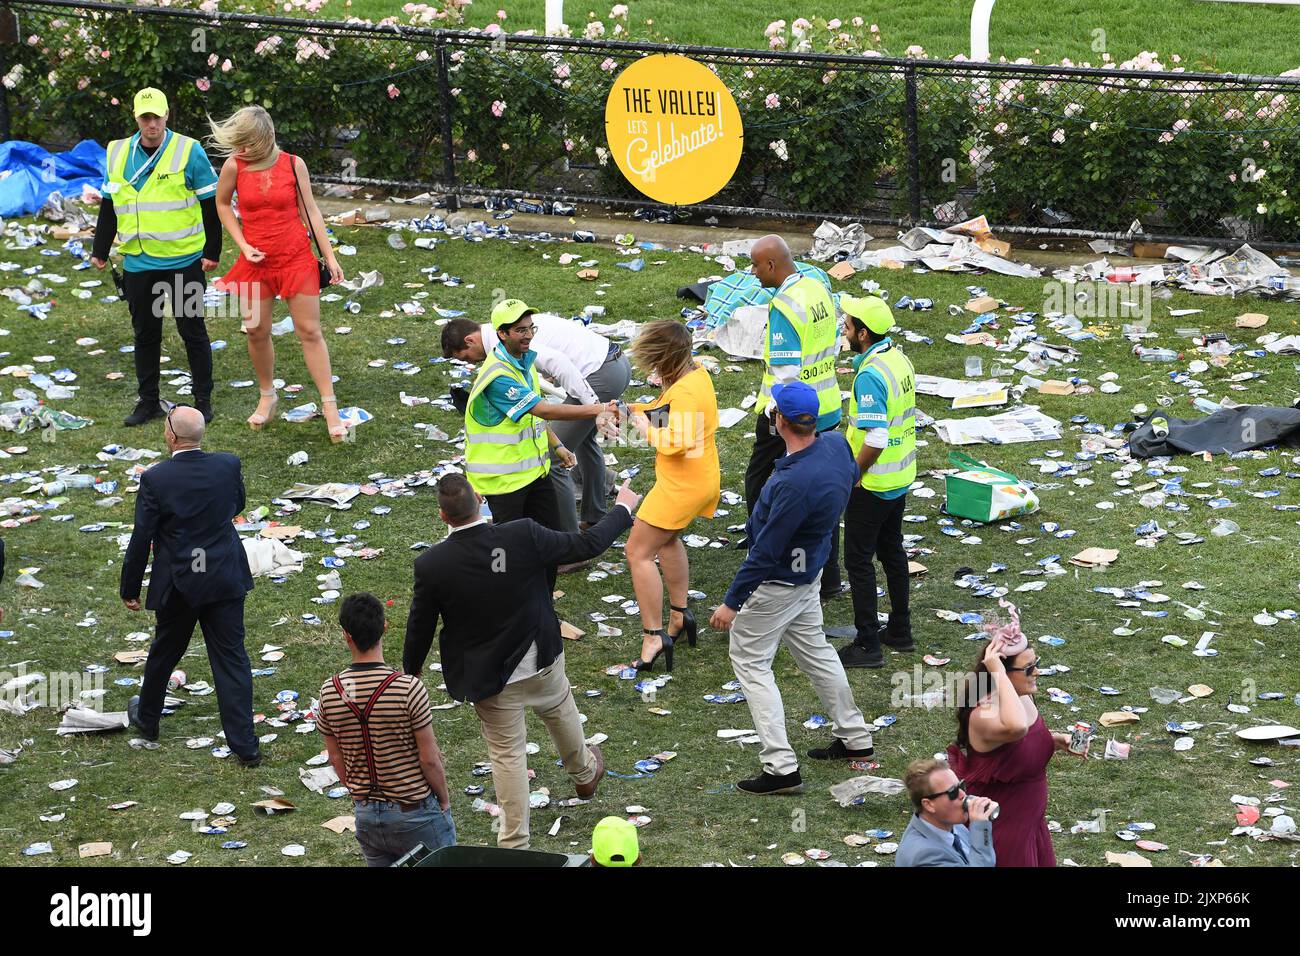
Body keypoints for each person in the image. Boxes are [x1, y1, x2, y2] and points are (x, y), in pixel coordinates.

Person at [402, 473, 642, 849]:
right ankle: (583, 772)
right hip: (540, 653)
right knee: (560, 707)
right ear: (479, 499)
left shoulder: (433, 564)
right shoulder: (523, 534)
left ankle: (514, 843)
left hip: (489, 677)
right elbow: (588, 543)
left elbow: (420, 625)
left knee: (506, 754)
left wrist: (411, 672)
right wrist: (623, 507)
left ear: (442, 516)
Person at [709, 382, 875, 795]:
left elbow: (764, 552)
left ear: (780, 421)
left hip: (778, 583)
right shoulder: (836, 446)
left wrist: (732, 603)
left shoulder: (790, 483)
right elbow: (853, 476)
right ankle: (855, 736)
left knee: (751, 664)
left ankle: (780, 767)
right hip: (810, 573)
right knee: (816, 651)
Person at [119, 405, 259, 767]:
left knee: (165, 650)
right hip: (224, 575)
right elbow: (236, 504)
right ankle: (246, 746)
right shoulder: (227, 464)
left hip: (181, 581)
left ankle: (148, 720)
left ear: (170, 435)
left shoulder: (156, 479)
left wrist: (130, 587)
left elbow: (142, 536)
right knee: (231, 658)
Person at [208, 106, 348, 441]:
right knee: (256, 330)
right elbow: (222, 205)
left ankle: (330, 407)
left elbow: (310, 211)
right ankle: (268, 395)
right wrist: (242, 244)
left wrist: (329, 256)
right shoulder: (234, 166)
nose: (243, 150)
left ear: (266, 137)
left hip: (296, 258)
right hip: (256, 263)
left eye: (248, 143)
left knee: (310, 331)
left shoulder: (293, 164)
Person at [90, 87, 223, 426]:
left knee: (192, 331)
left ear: (167, 116)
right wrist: (100, 249)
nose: (151, 123)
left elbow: (210, 203)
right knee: (145, 334)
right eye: (145, 117)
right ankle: (148, 401)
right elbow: (109, 202)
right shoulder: (117, 152)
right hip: (138, 262)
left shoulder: (188, 151)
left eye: (157, 116)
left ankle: (202, 401)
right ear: (136, 118)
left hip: (182, 261)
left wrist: (212, 251)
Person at [462, 300, 619, 573]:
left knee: (546, 542)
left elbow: (530, 415)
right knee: (508, 551)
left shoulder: (523, 363)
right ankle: (504, 589)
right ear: (502, 334)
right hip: (504, 482)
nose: (528, 335)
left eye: (530, 328)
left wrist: (558, 446)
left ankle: (548, 585)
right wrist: (598, 408)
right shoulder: (498, 374)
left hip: (534, 473)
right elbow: (540, 408)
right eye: (520, 331)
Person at [317, 593, 455, 867]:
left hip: (367, 817)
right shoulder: (407, 689)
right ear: (385, 627)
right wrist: (444, 799)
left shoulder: (330, 691)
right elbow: (429, 759)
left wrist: (360, 796)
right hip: (414, 812)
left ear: (346, 635)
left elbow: (335, 758)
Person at [743, 235, 846, 599]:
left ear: (771, 265)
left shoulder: (784, 306)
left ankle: (766, 559)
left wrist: (779, 419)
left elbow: (785, 373)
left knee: (760, 485)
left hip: (791, 415)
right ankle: (829, 576)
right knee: (820, 492)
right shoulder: (816, 288)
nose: (753, 272)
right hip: (827, 405)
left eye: (756, 265)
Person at [946, 601, 1087, 867]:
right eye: (1028, 668)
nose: (1038, 672)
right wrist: (995, 667)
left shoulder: (1020, 695)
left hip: (1030, 821)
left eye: (1037, 663)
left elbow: (1021, 741)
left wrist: (1054, 741)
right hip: (1003, 827)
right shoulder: (984, 713)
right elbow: (1017, 728)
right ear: (1000, 672)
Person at [620, 320, 720, 673]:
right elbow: (672, 414)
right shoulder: (696, 376)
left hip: (681, 484)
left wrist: (643, 426)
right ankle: (680, 615)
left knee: (638, 553)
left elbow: (675, 443)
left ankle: (653, 636)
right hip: (698, 477)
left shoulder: (686, 392)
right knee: (667, 541)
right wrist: (633, 409)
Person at [837, 295, 918, 668]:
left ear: (863, 333)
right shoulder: (897, 359)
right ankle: (900, 630)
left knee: (858, 561)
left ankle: (868, 644)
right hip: (899, 479)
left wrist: (854, 473)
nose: (844, 329)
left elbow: (876, 437)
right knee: (892, 551)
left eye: (849, 325)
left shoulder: (870, 375)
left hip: (871, 484)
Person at [896, 758, 997, 867]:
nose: (963, 794)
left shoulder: (951, 825)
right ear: (929, 805)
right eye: (953, 792)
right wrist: (981, 829)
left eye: (961, 786)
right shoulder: (925, 856)